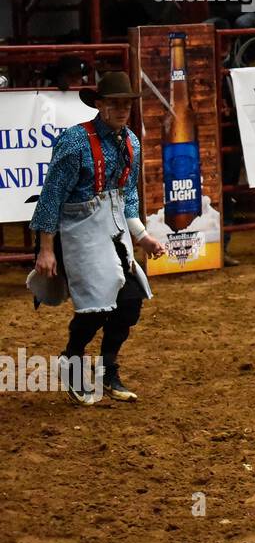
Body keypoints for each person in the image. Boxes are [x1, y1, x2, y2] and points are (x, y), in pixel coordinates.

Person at [28, 72, 166, 404]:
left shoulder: (130, 141)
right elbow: (52, 196)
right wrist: (46, 249)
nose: (122, 110)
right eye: (115, 104)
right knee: (95, 306)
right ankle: (73, 358)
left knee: (129, 302)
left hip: (113, 230)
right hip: (77, 231)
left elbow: (126, 195)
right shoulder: (75, 142)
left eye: (126, 104)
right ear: (100, 105)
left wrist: (143, 237)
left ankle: (108, 369)